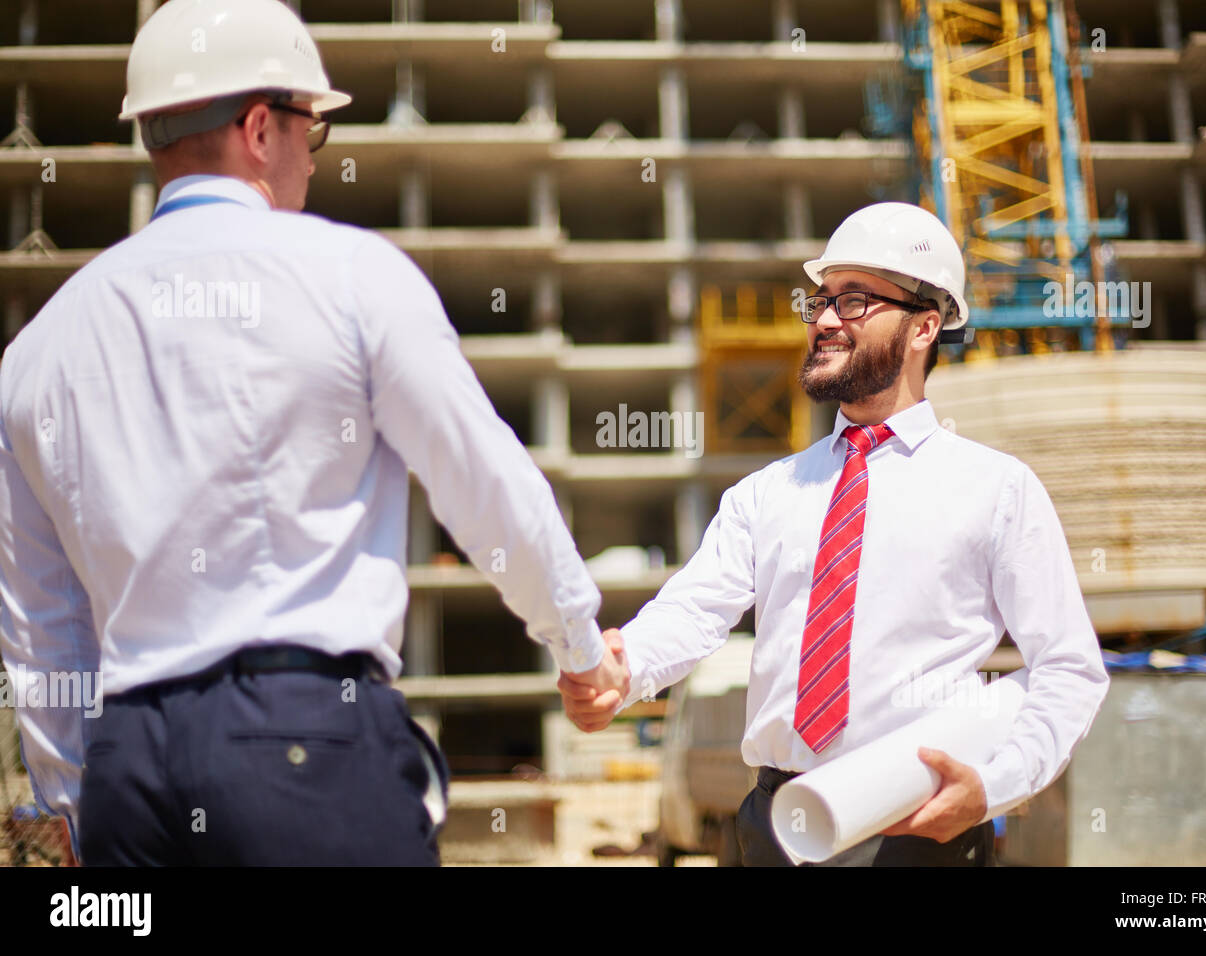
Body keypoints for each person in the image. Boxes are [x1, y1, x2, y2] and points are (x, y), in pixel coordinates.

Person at [0, 0, 625, 866]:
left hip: (127, 769)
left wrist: (72, 800)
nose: (312, 160)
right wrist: (580, 646)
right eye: (312, 132)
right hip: (304, 744)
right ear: (261, 127)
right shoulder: (350, 275)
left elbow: (41, 620)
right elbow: (484, 482)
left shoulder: (39, 350)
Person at [559, 202, 1110, 866]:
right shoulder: (766, 493)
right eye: (820, 300)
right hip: (774, 829)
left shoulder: (997, 490)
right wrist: (625, 667)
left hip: (915, 833)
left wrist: (992, 788)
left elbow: (1069, 668)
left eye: (853, 302)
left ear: (924, 326)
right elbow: (693, 610)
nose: (822, 320)